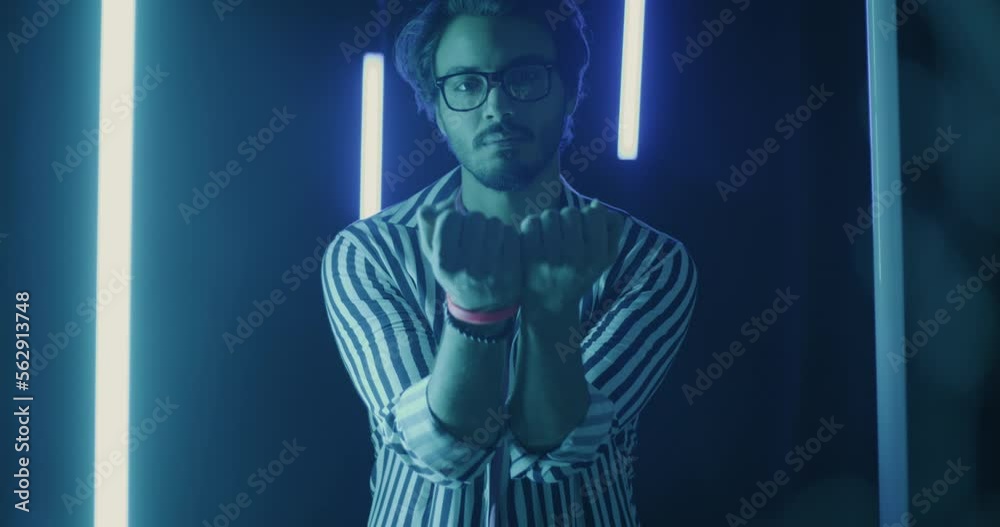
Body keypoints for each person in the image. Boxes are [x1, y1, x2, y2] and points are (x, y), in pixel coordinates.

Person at [321, 1, 698, 525]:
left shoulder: (648, 263)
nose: (496, 106)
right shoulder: (370, 253)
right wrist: (476, 313)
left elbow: (554, 454)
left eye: (524, 77)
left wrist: (549, 317)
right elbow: (442, 455)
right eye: (467, 84)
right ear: (438, 107)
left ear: (569, 91)